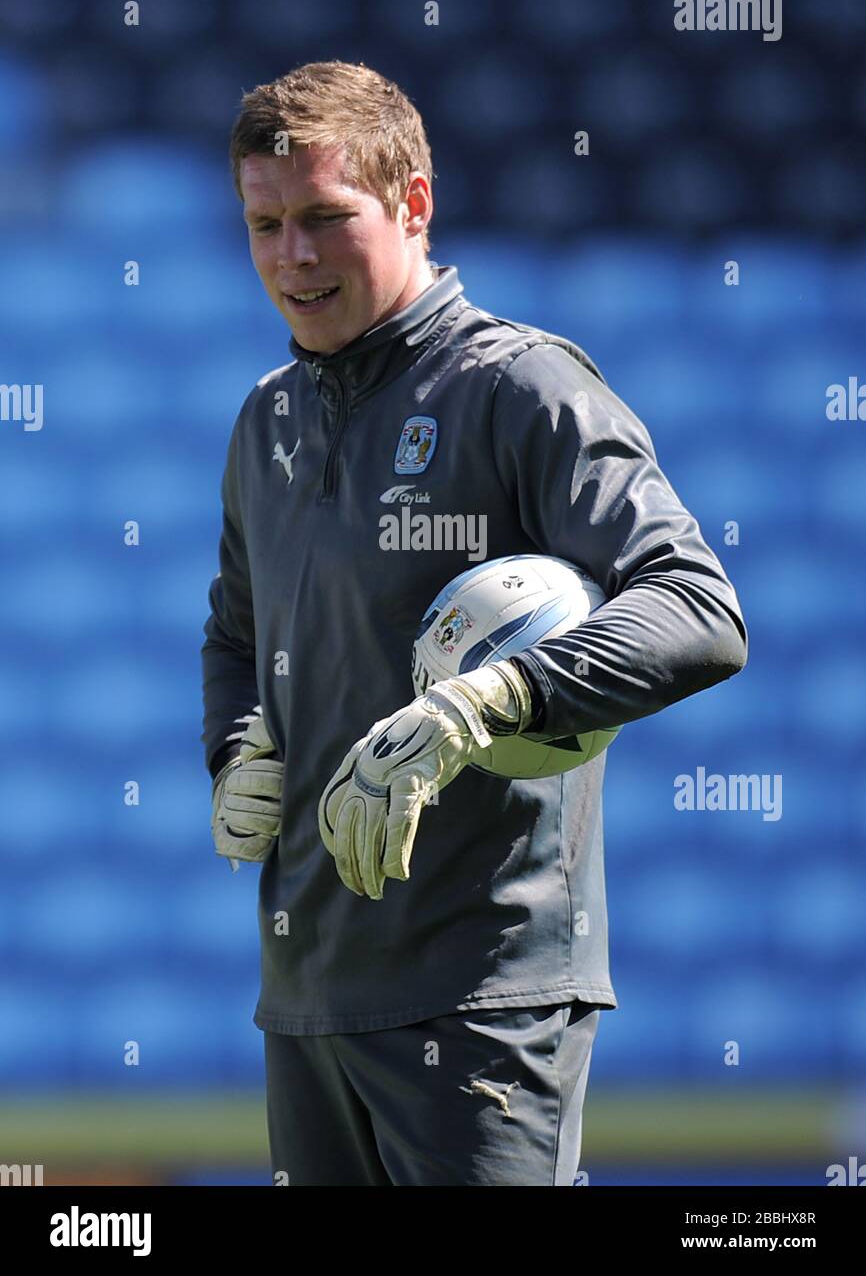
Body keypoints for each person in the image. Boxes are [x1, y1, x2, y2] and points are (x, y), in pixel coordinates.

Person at [201, 60, 748, 1186]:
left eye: (322, 218)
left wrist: (487, 699)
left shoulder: (519, 388)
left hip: (484, 992)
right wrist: (232, 749)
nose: (290, 256)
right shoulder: (265, 420)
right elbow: (234, 633)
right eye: (265, 224)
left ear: (411, 204)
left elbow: (697, 608)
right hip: (307, 993)